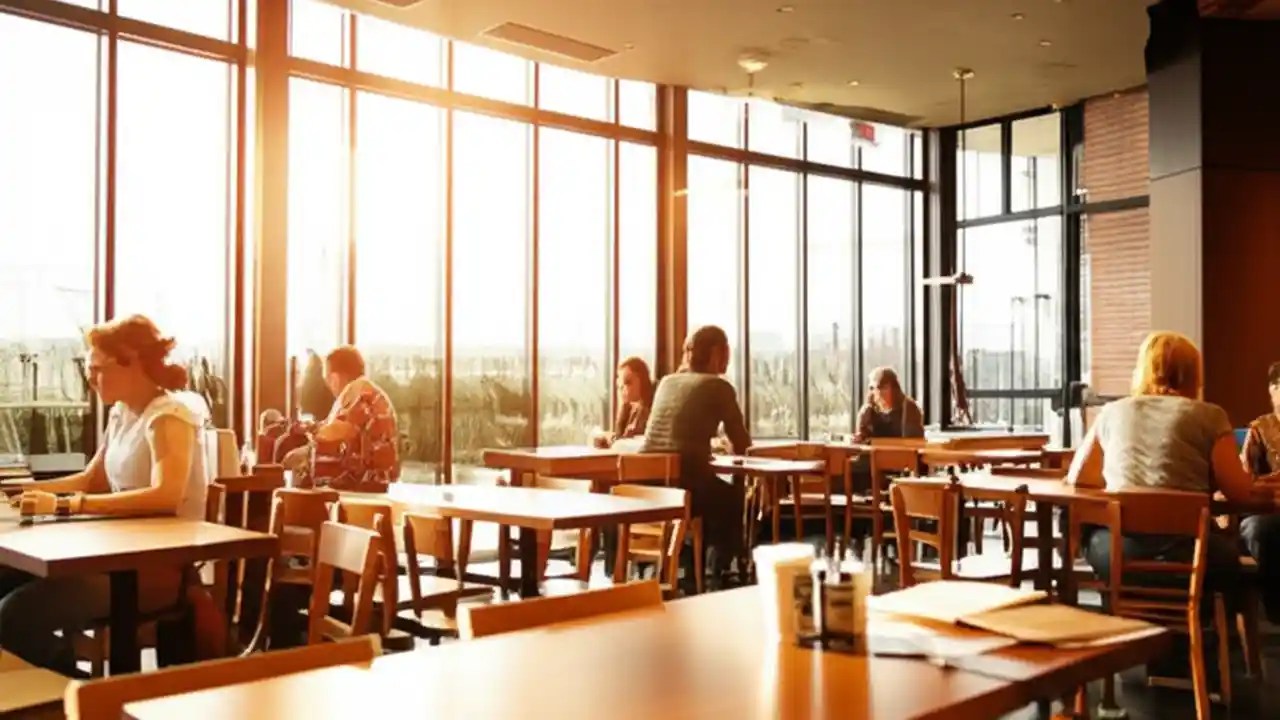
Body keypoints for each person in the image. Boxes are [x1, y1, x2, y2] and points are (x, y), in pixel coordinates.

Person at [0, 314, 218, 673]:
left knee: (14, 616)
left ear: (132, 362)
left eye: (97, 369)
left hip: (150, 572)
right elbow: (91, 479)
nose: (90, 378)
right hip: (110, 559)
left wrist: (65, 505)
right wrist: (18, 490)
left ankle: (78, 694)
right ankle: (67, 686)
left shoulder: (168, 416)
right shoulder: (121, 413)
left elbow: (166, 495)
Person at [1066, 331, 1272, 596]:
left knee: (1088, 532)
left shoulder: (1112, 412)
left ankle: (1117, 607)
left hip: (1118, 553)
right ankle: (1207, 618)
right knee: (1227, 557)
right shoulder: (1210, 416)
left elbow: (1079, 479)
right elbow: (1238, 492)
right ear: (1195, 374)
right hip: (1192, 556)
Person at [642, 325, 750, 583]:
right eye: (726, 353)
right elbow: (742, 443)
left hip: (648, 487)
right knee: (734, 497)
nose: (727, 361)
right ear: (716, 353)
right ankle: (721, 569)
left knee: (713, 490)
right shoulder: (718, 386)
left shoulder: (666, 382)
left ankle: (692, 562)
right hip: (686, 488)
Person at [282, 345, 400, 492]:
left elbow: (336, 433)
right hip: (379, 483)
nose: (329, 387)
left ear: (334, 378)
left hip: (363, 487)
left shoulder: (356, 392)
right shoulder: (371, 393)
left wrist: (309, 435)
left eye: (327, 379)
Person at [1238, 361, 1280, 621]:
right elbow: (1244, 483)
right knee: (1257, 528)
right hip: (1271, 512)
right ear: (1273, 390)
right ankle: (1274, 616)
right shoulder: (1261, 429)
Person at [851, 366, 924, 443]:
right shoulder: (867, 410)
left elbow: (914, 442)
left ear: (895, 389)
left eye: (884, 388)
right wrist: (859, 437)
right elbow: (861, 438)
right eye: (873, 388)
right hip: (875, 450)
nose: (879, 393)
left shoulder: (909, 408)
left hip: (900, 450)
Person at [596, 356, 654, 448]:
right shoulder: (628, 409)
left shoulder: (652, 410)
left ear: (643, 381)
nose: (622, 388)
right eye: (619, 384)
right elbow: (620, 437)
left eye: (627, 382)